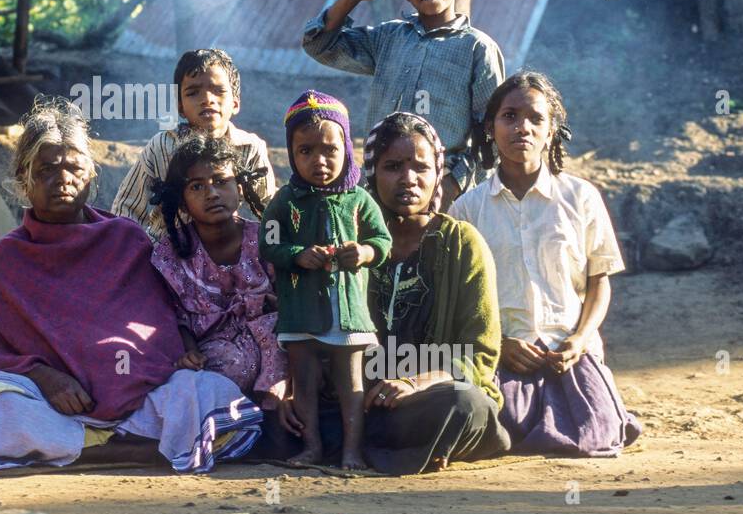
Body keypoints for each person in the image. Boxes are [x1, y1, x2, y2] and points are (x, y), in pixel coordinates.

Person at [0, 97, 262, 473]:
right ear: (24, 181)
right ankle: (129, 451)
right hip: (52, 405)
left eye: (74, 167)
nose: (62, 179)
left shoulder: (126, 238)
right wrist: (46, 378)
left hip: (141, 393)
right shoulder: (8, 256)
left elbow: (159, 319)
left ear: (91, 176)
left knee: (207, 394)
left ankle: (87, 450)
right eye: (47, 169)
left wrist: (167, 355)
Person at [449, 72, 642, 457]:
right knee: (503, 428)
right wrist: (499, 344)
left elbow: (599, 281)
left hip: (567, 353)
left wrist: (580, 339)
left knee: (594, 436)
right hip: (503, 357)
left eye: (536, 118)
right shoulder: (467, 209)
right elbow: (458, 299)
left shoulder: (581, 197)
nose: (523, 127)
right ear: (490, 128)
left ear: (552, 130)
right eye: (510, 116)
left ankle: (604, 404)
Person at [301, 0, 505, 208]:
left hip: (441, 187)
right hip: (378, 186)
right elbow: (319, 45)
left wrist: (449, 187)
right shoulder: (388, 38)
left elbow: (491, 135)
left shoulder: (477, 48)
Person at [358, 112, 511, 474]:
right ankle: (389, 442)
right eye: (393, 166)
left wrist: (414, 382)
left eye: (421, 168)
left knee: (464, 403)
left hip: (434, 394)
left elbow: (481, 352)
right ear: (372, 173)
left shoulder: (462, 243)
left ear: (438, 173)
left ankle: (392, 443)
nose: (408, 179)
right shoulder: (355, 244)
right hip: (363, 399)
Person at [260, 90, 391, 469]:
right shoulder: (285, 200)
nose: (319, 160)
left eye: (330, 150)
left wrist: (364, 253)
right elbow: (267, 244)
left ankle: (352, 450)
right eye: (306, 151)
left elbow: (382, 241)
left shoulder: (359, 199)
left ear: (347, 149)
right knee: (304, 380)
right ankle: (312, 447)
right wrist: (296, 256)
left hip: (347, 312)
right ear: (291, 153)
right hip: (300, 312)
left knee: (351, 382)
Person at [148, 133, 288, 414]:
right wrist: (188, 352)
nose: (212, 193)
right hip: (211, 352)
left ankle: (275, 414)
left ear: (240, 185)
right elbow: (174, 316)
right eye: (197, 187)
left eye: (222, 181)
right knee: (199, 382)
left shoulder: (266, 239)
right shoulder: (172, 253)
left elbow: (290, 299)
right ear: (183, 201)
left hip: (274, 344)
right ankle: (227, 425)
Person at [112, 48, 276, 236]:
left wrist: (280, 253)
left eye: (218, 90)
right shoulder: (162, 147)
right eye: (193, 93)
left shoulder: (250, 148)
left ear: (235, 102)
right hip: (169, 255)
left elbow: (270, 206)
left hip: (225, 250)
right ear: (180, 107)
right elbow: (126, 209)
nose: (207, 99)